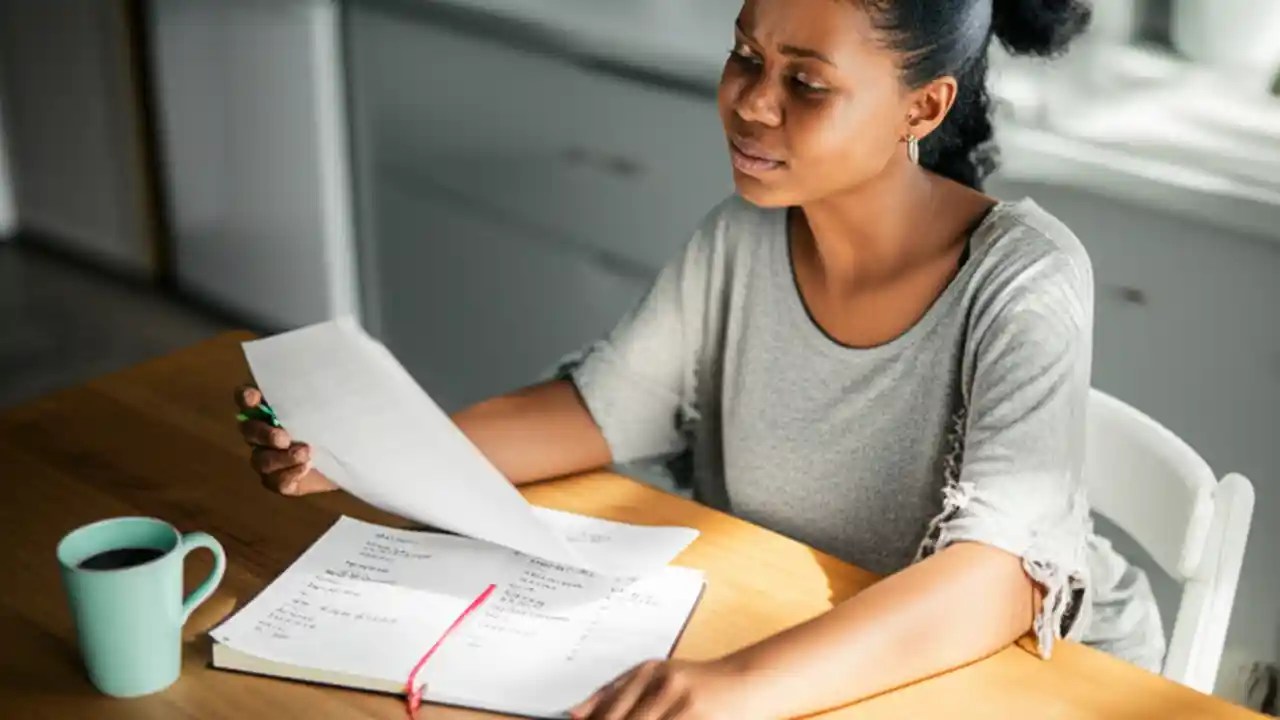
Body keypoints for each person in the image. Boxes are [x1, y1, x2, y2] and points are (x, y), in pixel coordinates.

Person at [235, 0, 1166, 716]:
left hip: (1039, 678)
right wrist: (359, 455)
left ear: (920, 107)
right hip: (805, 640)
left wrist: (734, 687)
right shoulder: (742, 239)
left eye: (806, 83)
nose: (752, 103)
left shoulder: (1026, 281)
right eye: (747, 56)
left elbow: (996, 579)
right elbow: (596, 411)